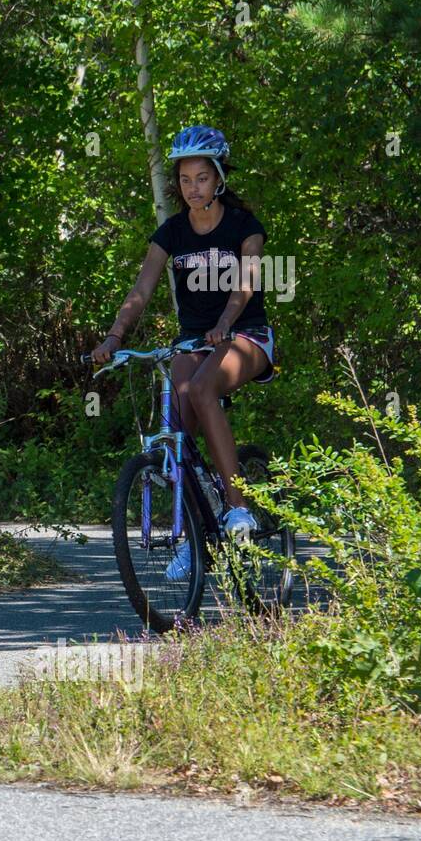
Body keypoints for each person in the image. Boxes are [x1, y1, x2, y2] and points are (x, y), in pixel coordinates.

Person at [90, 125, 277, 580]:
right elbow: (141, 288)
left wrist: (225, 323)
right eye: (184, 180)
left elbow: (247, 281)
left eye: (202, 178)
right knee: (177, 417)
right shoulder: (171, 232)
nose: (192, 188)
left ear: (219, 179)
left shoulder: (243, 227)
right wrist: (114, 338)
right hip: (195, 340)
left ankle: (237, 509)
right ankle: (197, 528)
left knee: (201, 389)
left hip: (246, 334)